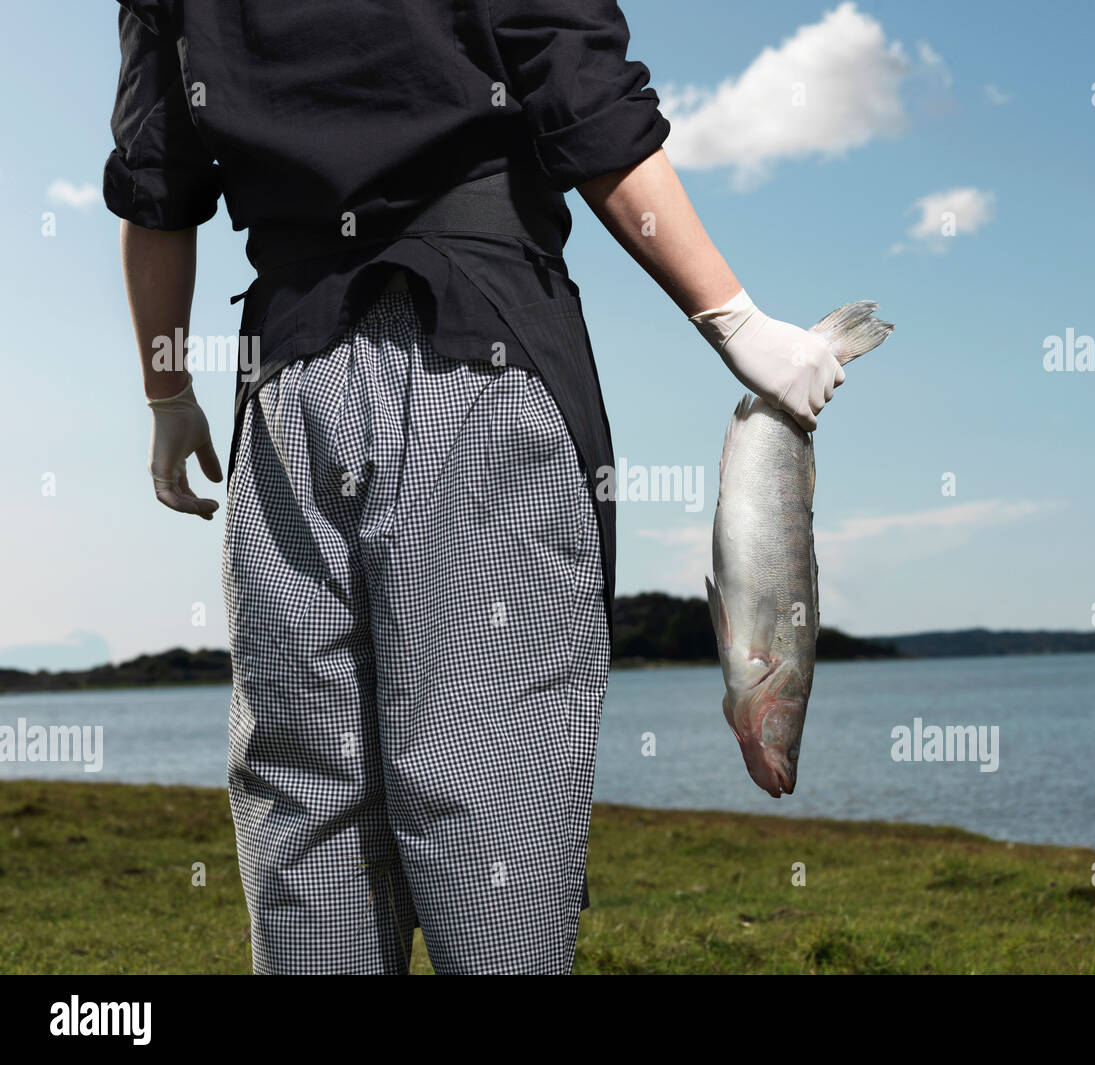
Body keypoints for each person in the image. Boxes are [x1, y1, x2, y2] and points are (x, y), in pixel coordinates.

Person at [106, 0, 845, 975]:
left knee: (303, 812)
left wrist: (166, 393)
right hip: (483, 362)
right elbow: (586, 99)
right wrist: (734, 319)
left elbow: (156, 181)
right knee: (490, 799)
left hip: (289, 390)